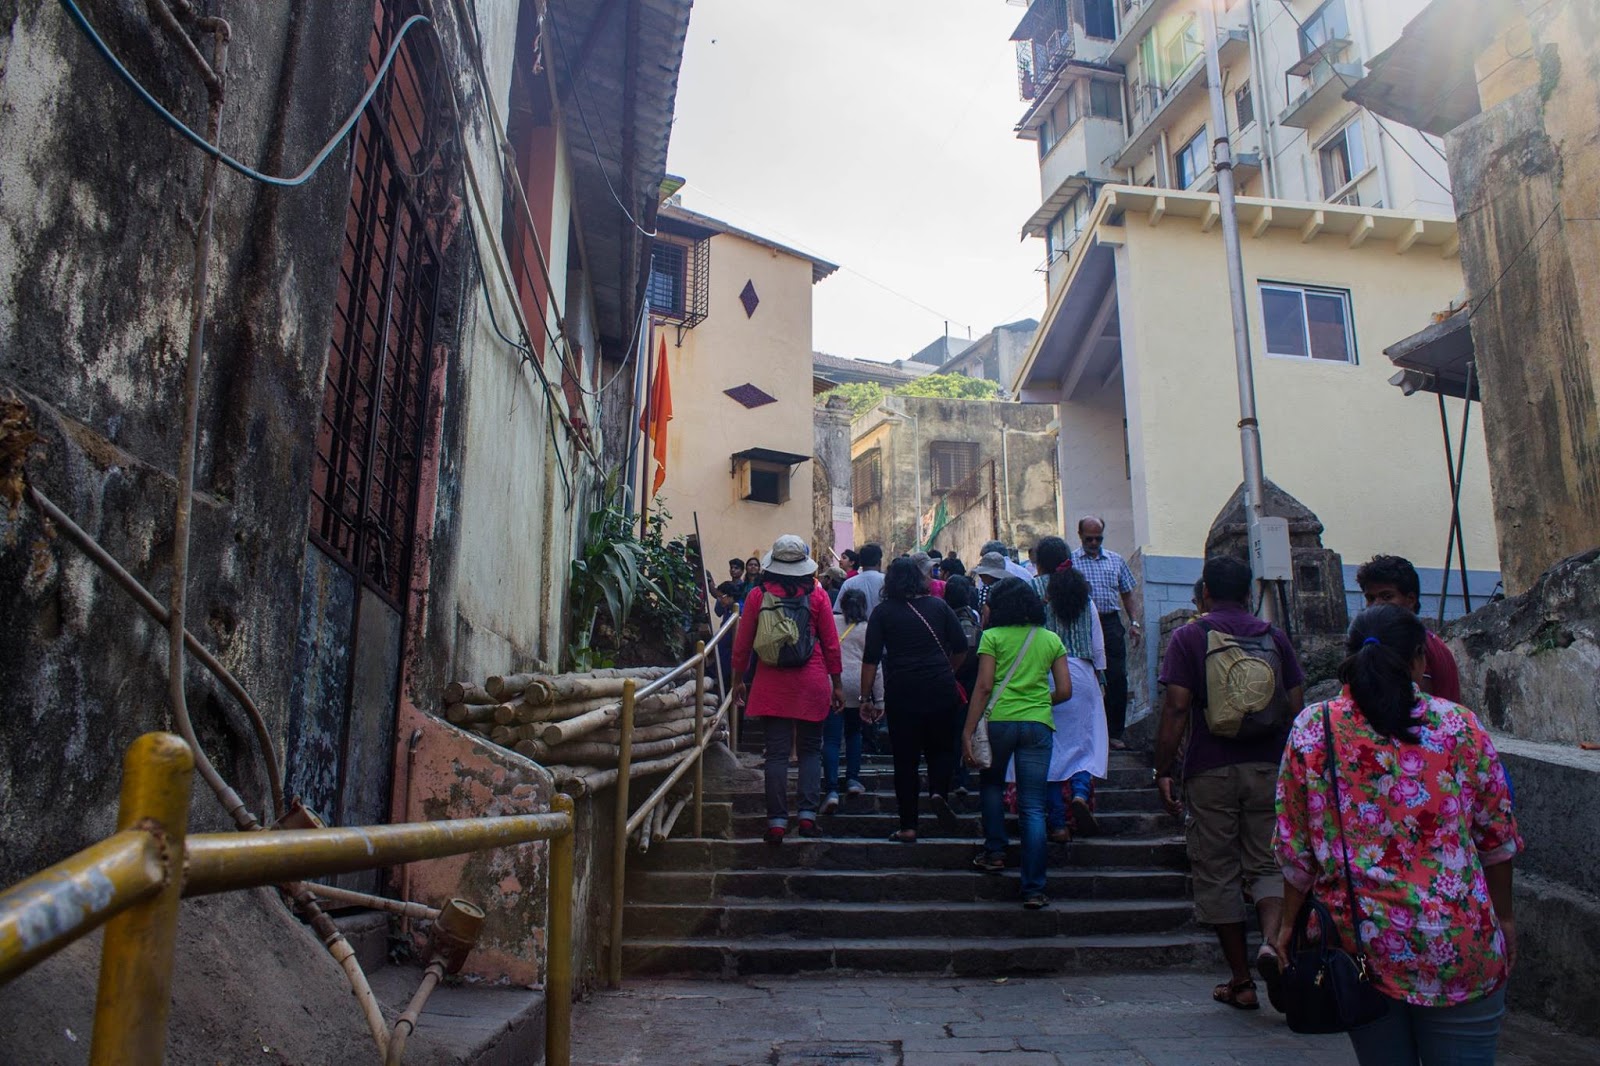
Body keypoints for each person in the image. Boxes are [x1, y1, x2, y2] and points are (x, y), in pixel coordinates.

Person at [1274, 605, 1521, 1063]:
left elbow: (1296, 851)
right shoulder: (1460, 725)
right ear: (1419, 659)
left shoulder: (1314, 728)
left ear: (1350, 657)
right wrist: (1504, 919)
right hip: (1460, 942)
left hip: (1362, 947)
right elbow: (1497, 840)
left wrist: (1287, 925)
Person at [1155, 555, 1304, 1011]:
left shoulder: (1189, 637)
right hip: (1268, 766)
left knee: (1217, 869)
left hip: (1210, 768)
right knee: (1268, 864)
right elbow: (1296, 706)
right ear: (1247, 592)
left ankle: (1241, 981)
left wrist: (1164, 769)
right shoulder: (1274, 636)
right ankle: (1273, 945)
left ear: (1204, 593)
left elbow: (1177, 708)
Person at [961, 577, 1072, 909]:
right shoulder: (1050, 639)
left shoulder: (992, 637)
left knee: (992, 784)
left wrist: (968, 731)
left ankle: (995, 852)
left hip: (999, 721)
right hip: (1038, 724)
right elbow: (1065, 690)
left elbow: (983, 687)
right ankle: (1034, 888)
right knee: (1033, 806)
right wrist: (1037, 703)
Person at [730, 535, 844, 844]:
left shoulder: (758, 595)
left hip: (772, 681)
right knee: (810, 750)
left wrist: (738, 680)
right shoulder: (818, 595)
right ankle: (807, 817)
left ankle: (777, 822)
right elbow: (831, 644)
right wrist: (836, 685)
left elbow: (743, 644)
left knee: (777, 754)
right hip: (812, 679)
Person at [859, 558, 969, 842]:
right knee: (941, 748)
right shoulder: (939, 607)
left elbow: (871, 658)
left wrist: (866, 697)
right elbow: (961, 646)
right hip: (940, 686)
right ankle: (938, 792)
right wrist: (949, 670)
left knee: (905, 759)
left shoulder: (883, 612)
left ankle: (908, 826)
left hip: (903, 689)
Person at [1024, 536, 1108, 841]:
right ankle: (1081, 793)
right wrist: (1101, 679)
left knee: (1050, 751)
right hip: (1082, 674)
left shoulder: (1032, 589)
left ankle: (1058, 824)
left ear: (1039, 562)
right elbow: (1097, 643)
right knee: (1083, 744)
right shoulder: (1083, 593)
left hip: (1045, 674)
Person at [1072, 515, 1141, 750]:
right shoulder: (1071, 562)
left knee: (1117, 676)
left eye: (1098, 539)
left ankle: (1114, 733)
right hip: (1083, 624)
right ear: (1080, 536)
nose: (1093, 543)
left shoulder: (1115, 560)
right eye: (1089, 539)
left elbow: (1127, 593)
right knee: (1083, 675)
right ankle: (1086, 731)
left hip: (1111, 622)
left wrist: (1134, 622)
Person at [1355, 554, 1462, 702]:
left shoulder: (1411, 645)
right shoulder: (1424, 639)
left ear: (1411, 600)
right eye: (1371, 598)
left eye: (1387, 597)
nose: (1376, 605)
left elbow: (1417, 706)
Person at [823, 588, 878, 813]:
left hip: (833, 682)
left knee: (831, 739)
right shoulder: (868, 628)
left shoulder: (831, 622)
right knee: (854, 733)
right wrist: (879, 698)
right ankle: (853, 779)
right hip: (859, 684)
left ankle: (832, 789)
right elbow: (875, 663)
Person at [943, 574, 983, 795]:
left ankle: (950, 775)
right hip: (971, 680)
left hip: (949, 677)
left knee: (948, 728)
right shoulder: (973, 616)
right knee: (963, 727)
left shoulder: (944, 616)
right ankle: (961, 776)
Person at [837, 542, 886, 611]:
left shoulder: (849, 583)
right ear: (879, 562)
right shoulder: (886, 581)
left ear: (860, 562)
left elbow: (838, 610)